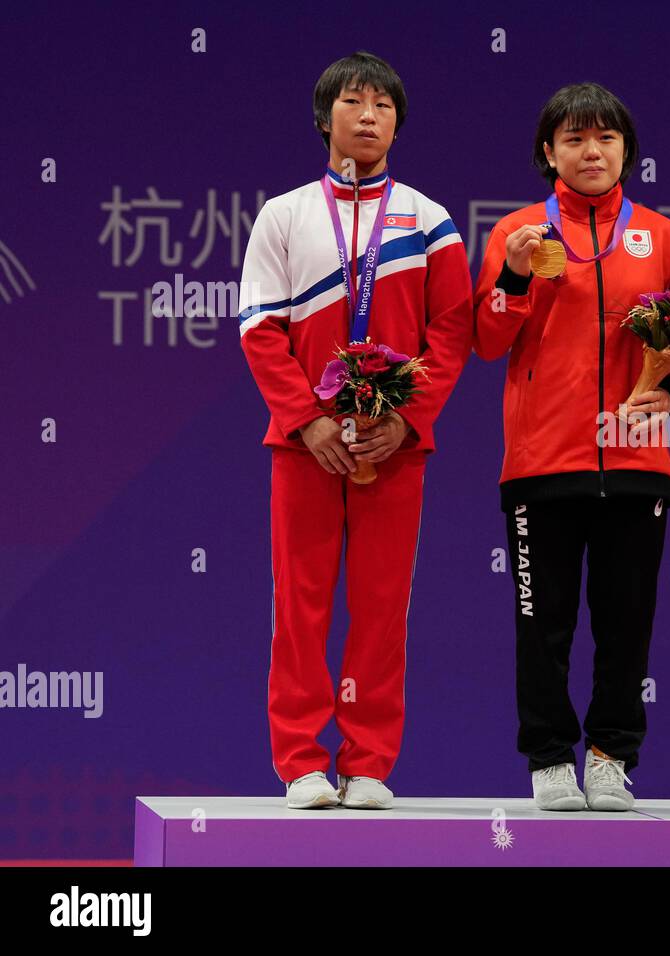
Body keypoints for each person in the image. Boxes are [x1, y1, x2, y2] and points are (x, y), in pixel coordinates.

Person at [238, 51, 474, 810]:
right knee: (299, 606)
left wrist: (406, 419)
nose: (368, 114)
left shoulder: (429, 220)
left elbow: (455, 328)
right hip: (303, 448)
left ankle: (369, 762)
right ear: (324, 117)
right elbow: (260, 327)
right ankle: (302, 763)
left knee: (381, 608)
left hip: (394, 448)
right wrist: (306, 421)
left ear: (398, 124)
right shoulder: (284, 214)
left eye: (382, 104)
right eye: (353, 101)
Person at [473, 82, 670, 812]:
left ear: (626, 151)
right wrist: (514, 272)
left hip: (637, 465)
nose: (592, 150)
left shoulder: (662, 236)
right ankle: (548, 758)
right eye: (574, 139)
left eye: (605, 138)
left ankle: (610, 755)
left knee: (626, 625)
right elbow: (486, 340)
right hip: (542, 464)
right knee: (543, 625)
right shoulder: (517, 232)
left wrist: (668, 396)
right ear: (549, 152)